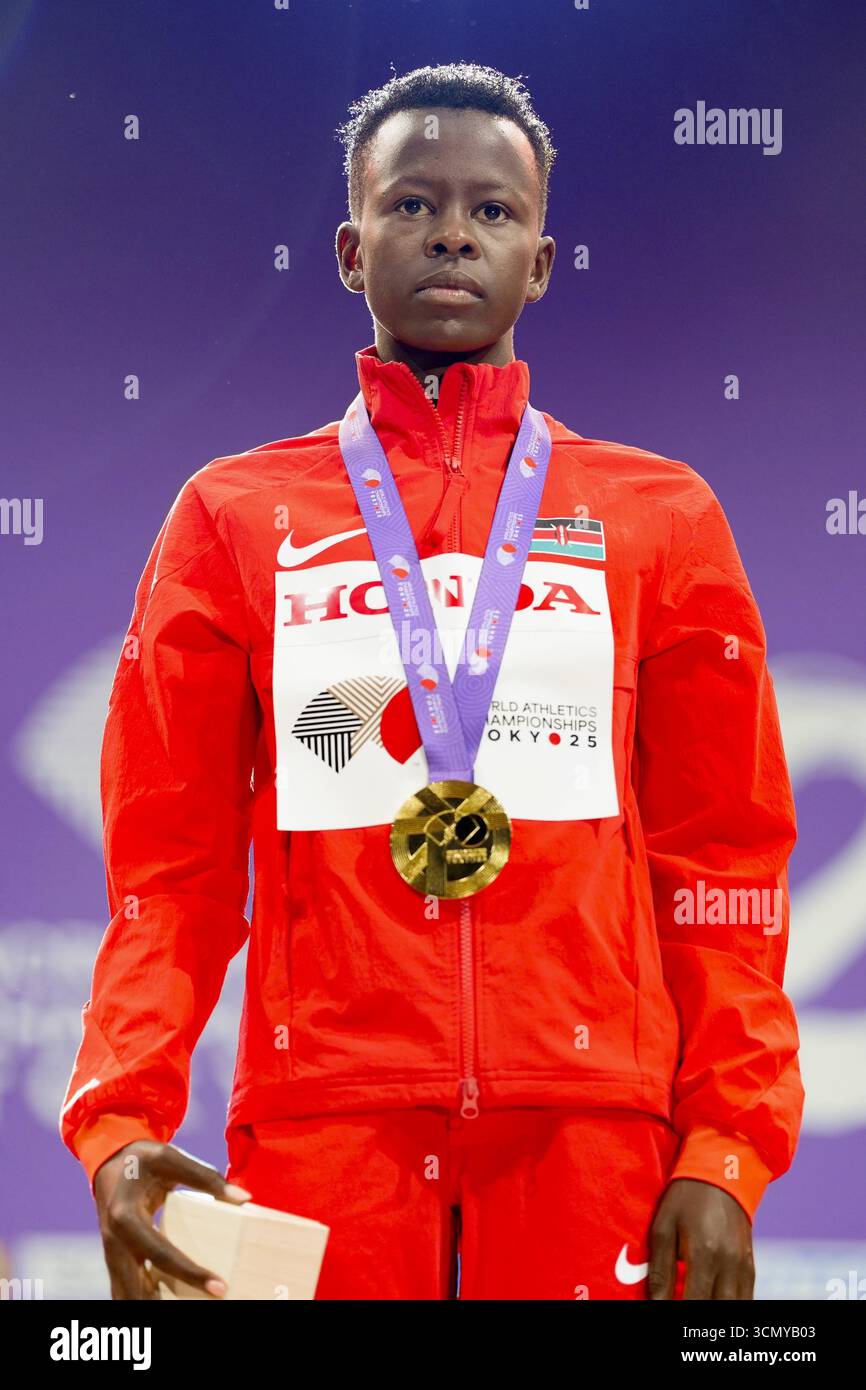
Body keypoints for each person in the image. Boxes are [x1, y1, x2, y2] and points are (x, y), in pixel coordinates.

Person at [59, 62, 803, 1301]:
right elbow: (167, 875)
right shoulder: (232, 516)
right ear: (350, 251)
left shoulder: (659, 515)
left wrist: (725, 1149)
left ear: (543, 260)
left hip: (593, 1136)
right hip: (320, 1135)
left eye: (492, 211)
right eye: (411, 205)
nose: (452, 230)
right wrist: (120, 1120)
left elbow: (722, 868)